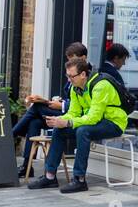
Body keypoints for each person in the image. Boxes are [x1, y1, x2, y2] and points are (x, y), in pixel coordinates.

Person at [28, 56, 127, 194]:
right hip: (93, 122)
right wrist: (59, 120)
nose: (69, 80)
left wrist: (68, 122)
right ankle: (49, 176)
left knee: (82, 131)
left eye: (71, 76)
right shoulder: (75, 88)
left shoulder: (101, 85)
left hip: (113, 123)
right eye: (67, 76)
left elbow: (93, 117)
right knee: (60, 130)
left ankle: (79, 180)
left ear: (83, 74)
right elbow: (74, 112)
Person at [12, 42, 87, 178]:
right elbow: (73, 98)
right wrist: (54, 102)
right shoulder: (73, 73)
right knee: (34, 122)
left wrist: (62, 105)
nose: (70, 63)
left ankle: (12, 134)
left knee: (37, 107)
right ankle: (26, 165)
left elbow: (85, 104)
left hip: (75, 116)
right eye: (69, 60)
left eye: (73, 59)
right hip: (67, 110)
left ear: (83, 58)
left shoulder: (85, 75)